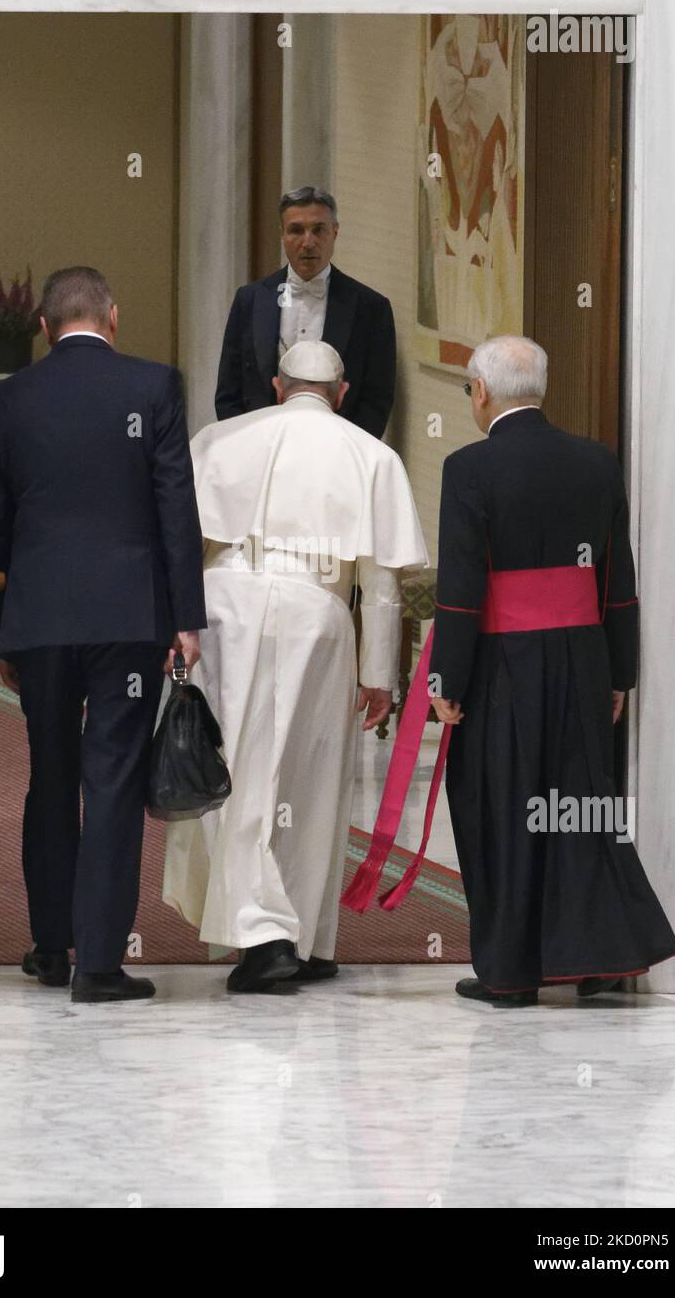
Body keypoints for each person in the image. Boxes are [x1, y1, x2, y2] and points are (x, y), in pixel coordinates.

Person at [163, 340, 427, 991]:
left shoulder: (222, 437)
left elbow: (178, 538)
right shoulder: (372, 456)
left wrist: (175, 622)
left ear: (279, 386)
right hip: (318, 608)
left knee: (233, 769)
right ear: (341, 392)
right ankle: (290, 936)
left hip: (227, 603)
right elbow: (384, 584)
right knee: (309, 779)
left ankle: (276, 936)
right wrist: (378, 675)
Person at [429, 334, 675, 1006]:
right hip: (581, 656)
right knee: (578, 809)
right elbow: (616, 580)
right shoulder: (597, 463)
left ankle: (508, 972)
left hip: (502, 667)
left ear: (479, 393)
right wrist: (618, 673)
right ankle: (597, 961)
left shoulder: (469, 469)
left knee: (501, 806)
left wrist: (445, 683)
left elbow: (458, 590)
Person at [0, 266, 206, 1004]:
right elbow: (176, 508)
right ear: (114, 316)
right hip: (127, 616)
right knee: (111, 778)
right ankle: (100, 963)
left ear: (43, 327)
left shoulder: (6, 399)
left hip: (39, 618)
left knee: (50, 775)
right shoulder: (153, 387)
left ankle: (49, 944)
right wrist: (185, 618)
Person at [214, 185, 396, 438]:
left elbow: (377, 400)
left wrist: (348, 452)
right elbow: (228, 392)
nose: (308, 242)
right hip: (258, 450)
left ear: (335, 232)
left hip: (337, 454)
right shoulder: (250, 299)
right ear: (282, 234)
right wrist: (247, 446)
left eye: (318, 230)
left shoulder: (371, 308)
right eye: (296, 230)